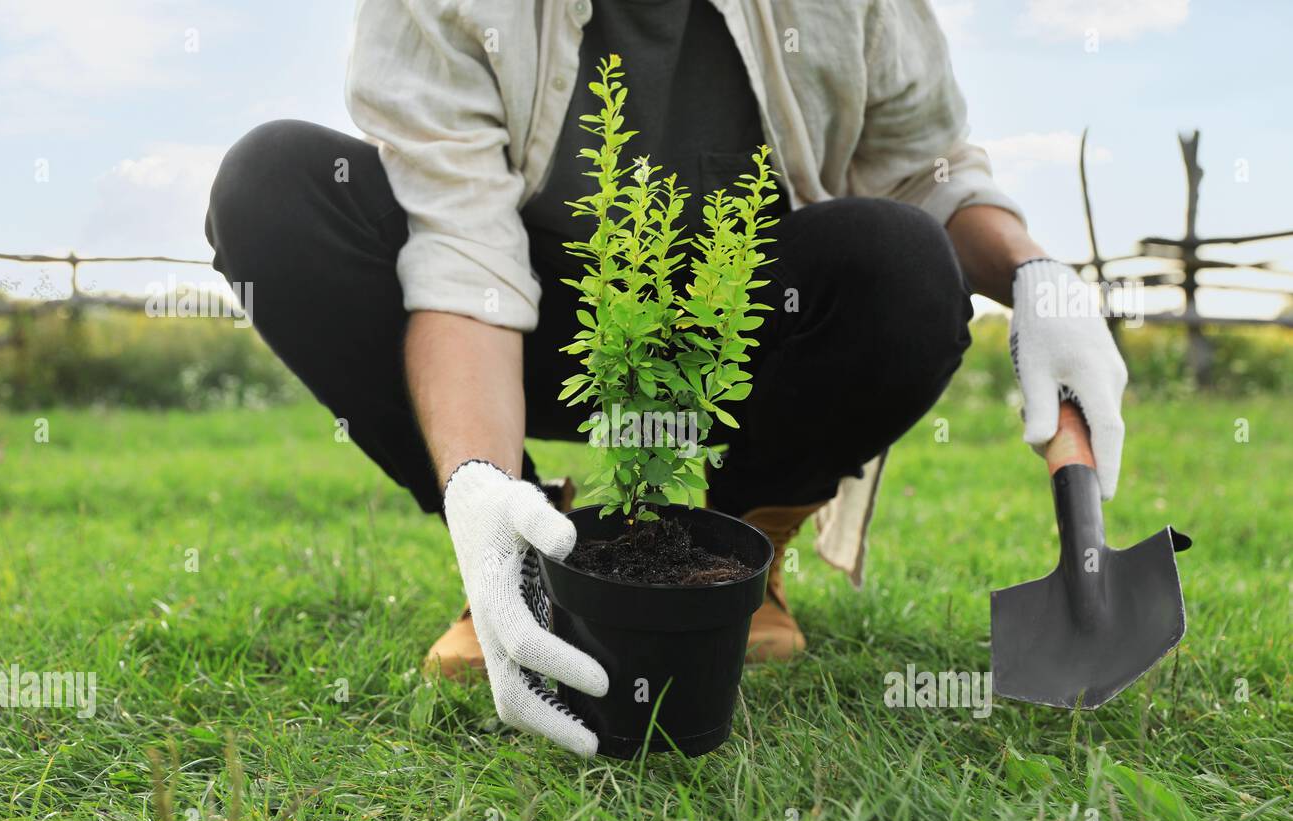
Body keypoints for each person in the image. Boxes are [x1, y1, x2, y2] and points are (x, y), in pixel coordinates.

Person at [205, 0, 1127, 757]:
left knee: (904, 263)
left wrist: (1034, 276)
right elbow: (461, 259)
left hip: (745, 322)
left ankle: (735, 551)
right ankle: (523, 549)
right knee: (273, 187)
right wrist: (477, 489)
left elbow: (931, 173)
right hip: (545, 317)